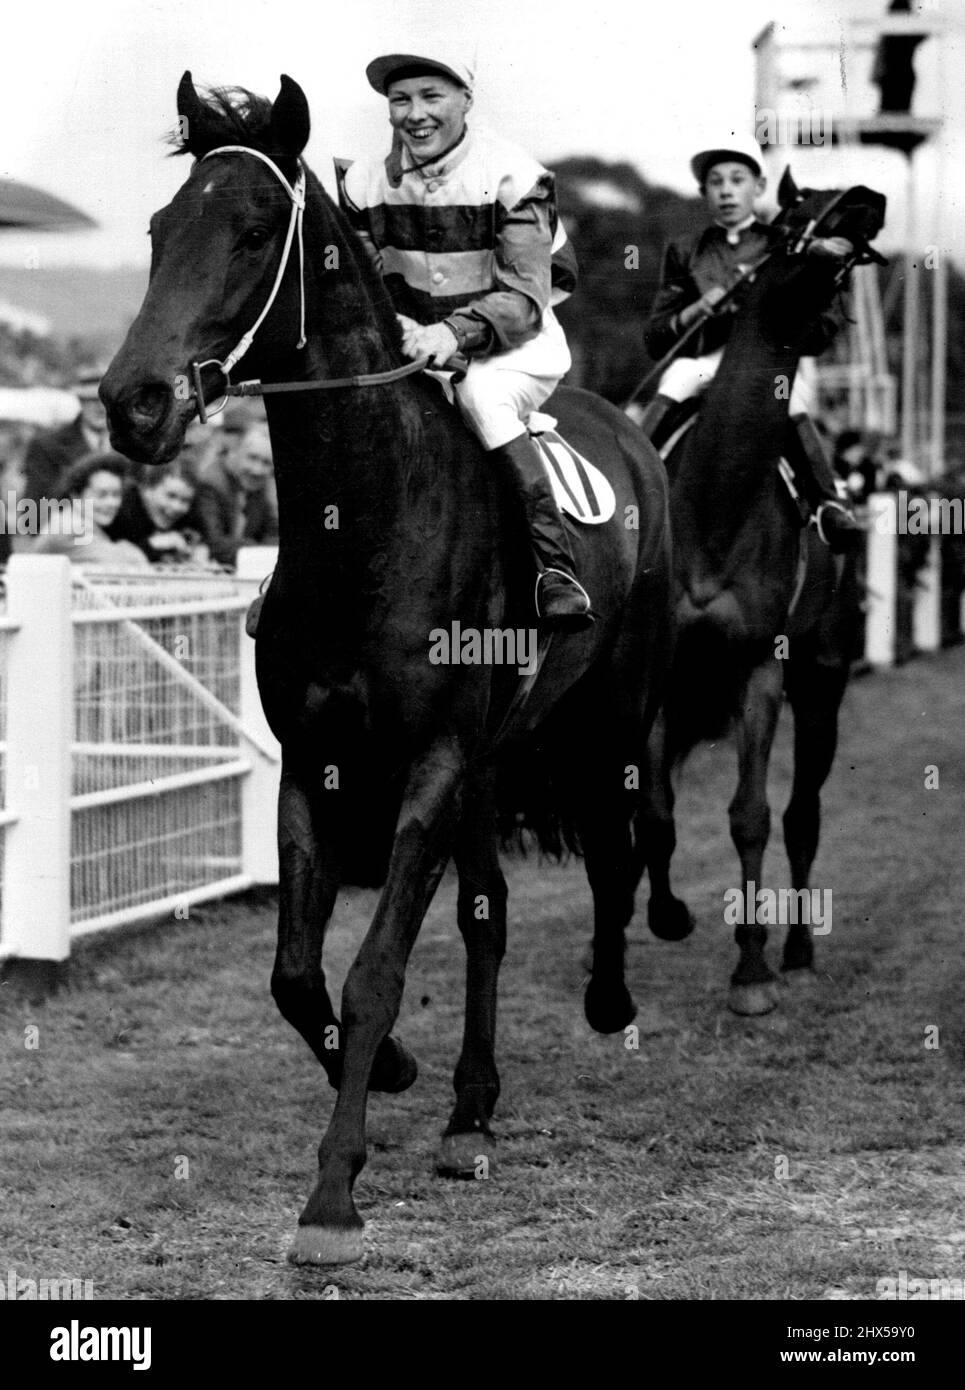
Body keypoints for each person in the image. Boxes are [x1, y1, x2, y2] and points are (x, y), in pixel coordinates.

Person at [337, 49, 591, 629]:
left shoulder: (515, 177)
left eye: (432, 97)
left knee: (480, 396)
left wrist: (451, 332)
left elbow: (526, 300)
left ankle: (556, 568)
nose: (415, 114)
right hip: (414, 346)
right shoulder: (361, 182)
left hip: (516, 347)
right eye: (401, 100)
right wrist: (388, 321)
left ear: (466, 101)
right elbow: (360, 276)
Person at [639, 136, 861, 551]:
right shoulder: (685, 251)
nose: (726, 190)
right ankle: (626, 484)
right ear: (704, 192)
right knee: (675, 376)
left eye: (737, 180)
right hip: (704, 360)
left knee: (791, 396)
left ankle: (829, 504)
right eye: (716, 182)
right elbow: (656, 335)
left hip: (763, 365)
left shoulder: (786, 242)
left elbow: (821, 312)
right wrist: (698, 308)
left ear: (758, 187)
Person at [30, 452, 149, 567]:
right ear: (76, 496)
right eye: (101, 495)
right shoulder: (69, 528)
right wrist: (127, 548)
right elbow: (122, 564)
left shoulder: (85, 524)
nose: (111, 502)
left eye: (116, 494)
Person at [193, 417, 277, 567]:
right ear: (235, 451)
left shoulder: (263, 487)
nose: (257, 470)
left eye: (266, 463)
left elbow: (274, 535)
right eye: (252, 457)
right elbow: (215, 543)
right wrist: (259, 550)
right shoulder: (212, 483)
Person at [22, 366, 110, 504]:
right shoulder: (47, 446)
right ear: (80, 401)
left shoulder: (132, 445)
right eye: (92, 400)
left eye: (105, 400)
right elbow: (33, 510)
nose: (100, 407)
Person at [108, 458, 207, 565]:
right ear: (147, 489)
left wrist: (199, 550)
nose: (177, 507)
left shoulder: (191, 513)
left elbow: (202, 540)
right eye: (171, 496)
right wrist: (151, 545)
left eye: (185, 500)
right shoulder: (120, 507)